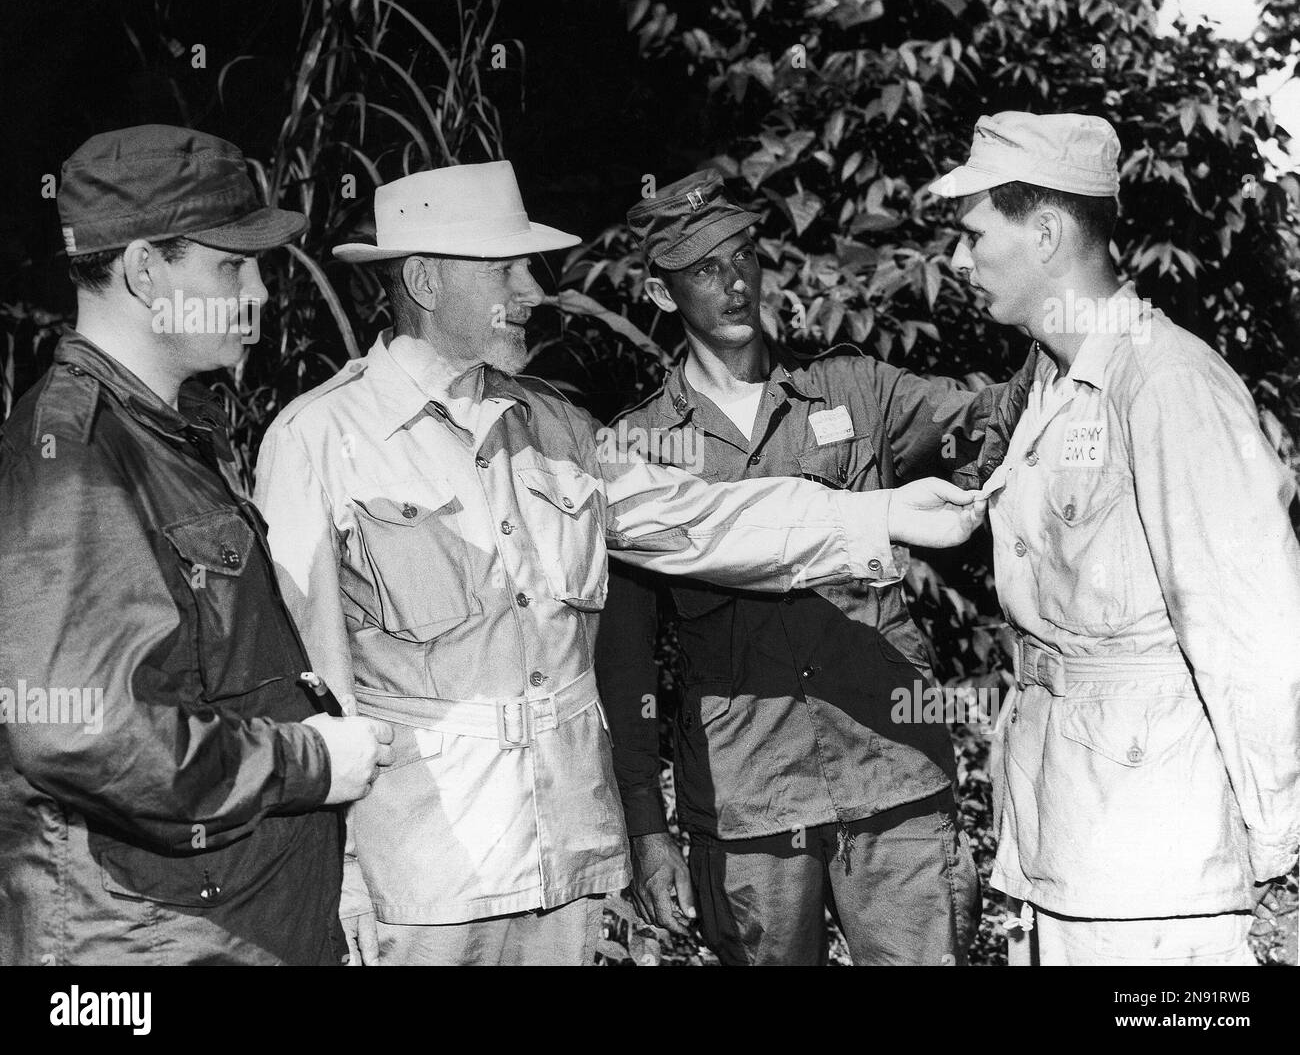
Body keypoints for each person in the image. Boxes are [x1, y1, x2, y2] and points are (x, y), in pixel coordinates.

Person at [254, 159, 990, 966]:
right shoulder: (319, 441)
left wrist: (875, 512)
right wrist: (341, 879)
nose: (534, 290)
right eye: (506, 268)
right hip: (424, 883)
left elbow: (701, 517)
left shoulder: (556, 428)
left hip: (562, 869)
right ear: (425, 279)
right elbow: (307, 691)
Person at [594, 169, 1031, 965]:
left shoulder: (854, 389)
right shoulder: (642, 452)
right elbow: (626, 669)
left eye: (741, 257)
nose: (732, 283)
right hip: (750, 800)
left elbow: (986, 422)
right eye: (701, 269)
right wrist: (645, 828)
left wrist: (1065, 330)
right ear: (661, 296)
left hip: (894, 770)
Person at [0, 124, 392, 966]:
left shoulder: (167, 436)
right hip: (145, 946)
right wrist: (308, 762)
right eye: (230, 265)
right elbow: (79, 729)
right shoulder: (75, 455)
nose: (258, 291)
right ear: (145, 271)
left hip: (227, 924)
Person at [936, 110, 1300, 965]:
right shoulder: (1054, 386)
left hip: (1161, 871)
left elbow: (1256, 635)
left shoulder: (1167, 382)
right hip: (1073, 840)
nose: (958, 260)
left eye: (973, 233)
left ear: (1049, 230)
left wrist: (1280, 845)